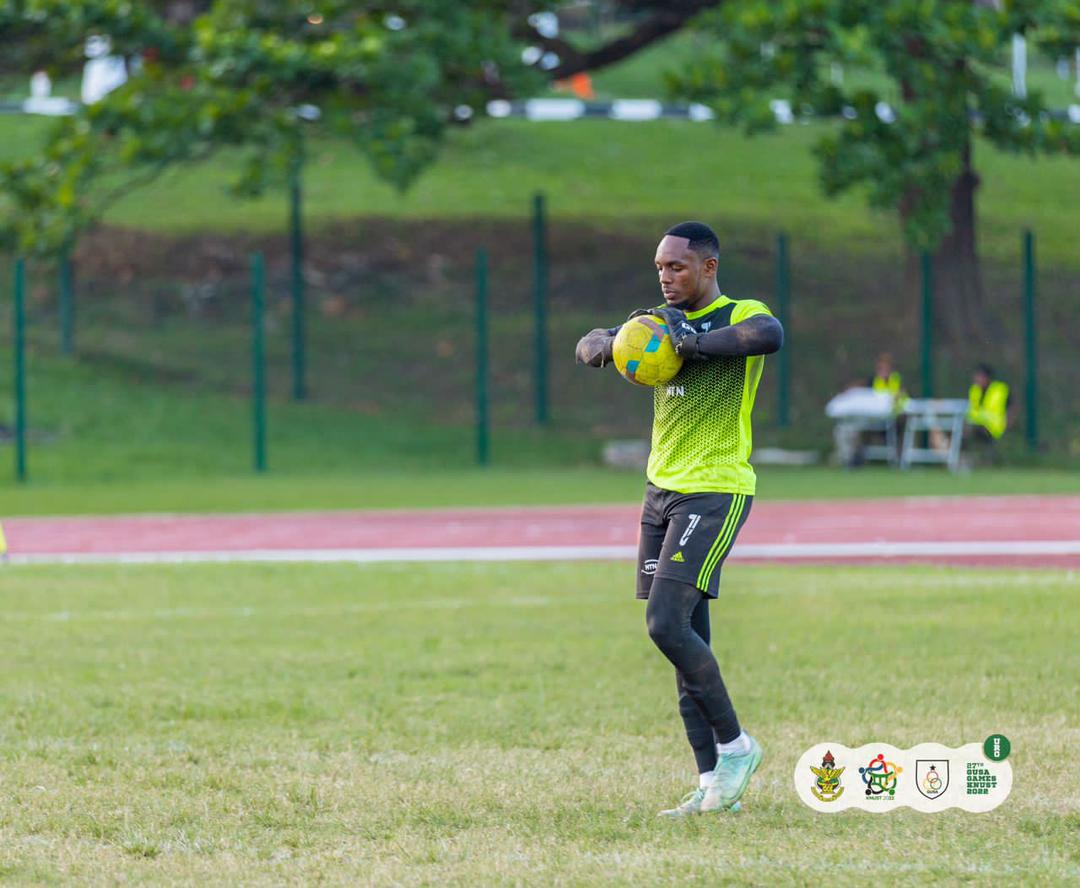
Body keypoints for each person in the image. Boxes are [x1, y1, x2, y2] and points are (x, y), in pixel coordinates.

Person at [575, 221, 783, 817]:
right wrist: (606, 347)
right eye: (660, 268)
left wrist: (691, 343)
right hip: (659, 493)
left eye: (678, 267)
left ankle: (738, 747)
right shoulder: (655, 325)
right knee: (687, 638)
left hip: (714, 490)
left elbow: (769, 334)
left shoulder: (739, 313)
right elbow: (591, 341)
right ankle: (715, 784)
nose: (666, 277)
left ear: (709, 267)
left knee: (665, 623)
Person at [966, 364, 1012, 447]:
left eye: (979, 376)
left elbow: (1012, 409)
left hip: (993, 429)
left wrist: (1007, 426)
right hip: (976, 425)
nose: (976, 379)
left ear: (987, 377)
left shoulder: (1000, 390)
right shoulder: (974, 390)